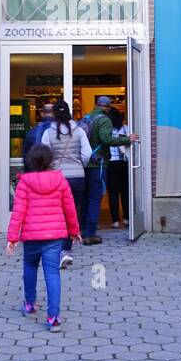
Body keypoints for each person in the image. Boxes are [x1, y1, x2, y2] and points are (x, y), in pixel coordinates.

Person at [5, 144, 79, 332]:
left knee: (30, 267)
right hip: (54, 236)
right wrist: (74, 230)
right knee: (52, 273)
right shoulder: (60, 180)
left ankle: (30, 303)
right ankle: (53, 317)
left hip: (31, 236)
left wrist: (12, 237)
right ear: (50, 161)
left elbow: (18, 212)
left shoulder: (24, 183)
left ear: (31, 161)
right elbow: (69, 208)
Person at [41, 98, 90, 270]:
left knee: (56, 213)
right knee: (72, 213)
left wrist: (51, 167)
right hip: (77, 177)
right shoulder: (79, 131)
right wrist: (78, 165)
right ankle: (66, 250)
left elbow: (44, 154)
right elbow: (87, 153)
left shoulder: (48, 132)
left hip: (57, 177)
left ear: (53, 113)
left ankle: (55, 248)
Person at [81, 95, 136, 244]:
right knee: (94, 197)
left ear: (96, 104)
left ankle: (83, 230)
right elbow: (107, 139)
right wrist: (127, 139)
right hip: (97, 163)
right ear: (108, 107)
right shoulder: (104, 120)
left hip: (84, 162)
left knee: (85, 198)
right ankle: (90, 234)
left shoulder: (85, 118)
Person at [105, 107, 130, 229]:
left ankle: (115, 220)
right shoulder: (126, 128)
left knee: (113, 193)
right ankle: (127, 218)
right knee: (125, 191)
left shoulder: (106, 130)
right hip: (124, 162)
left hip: (110, 163)